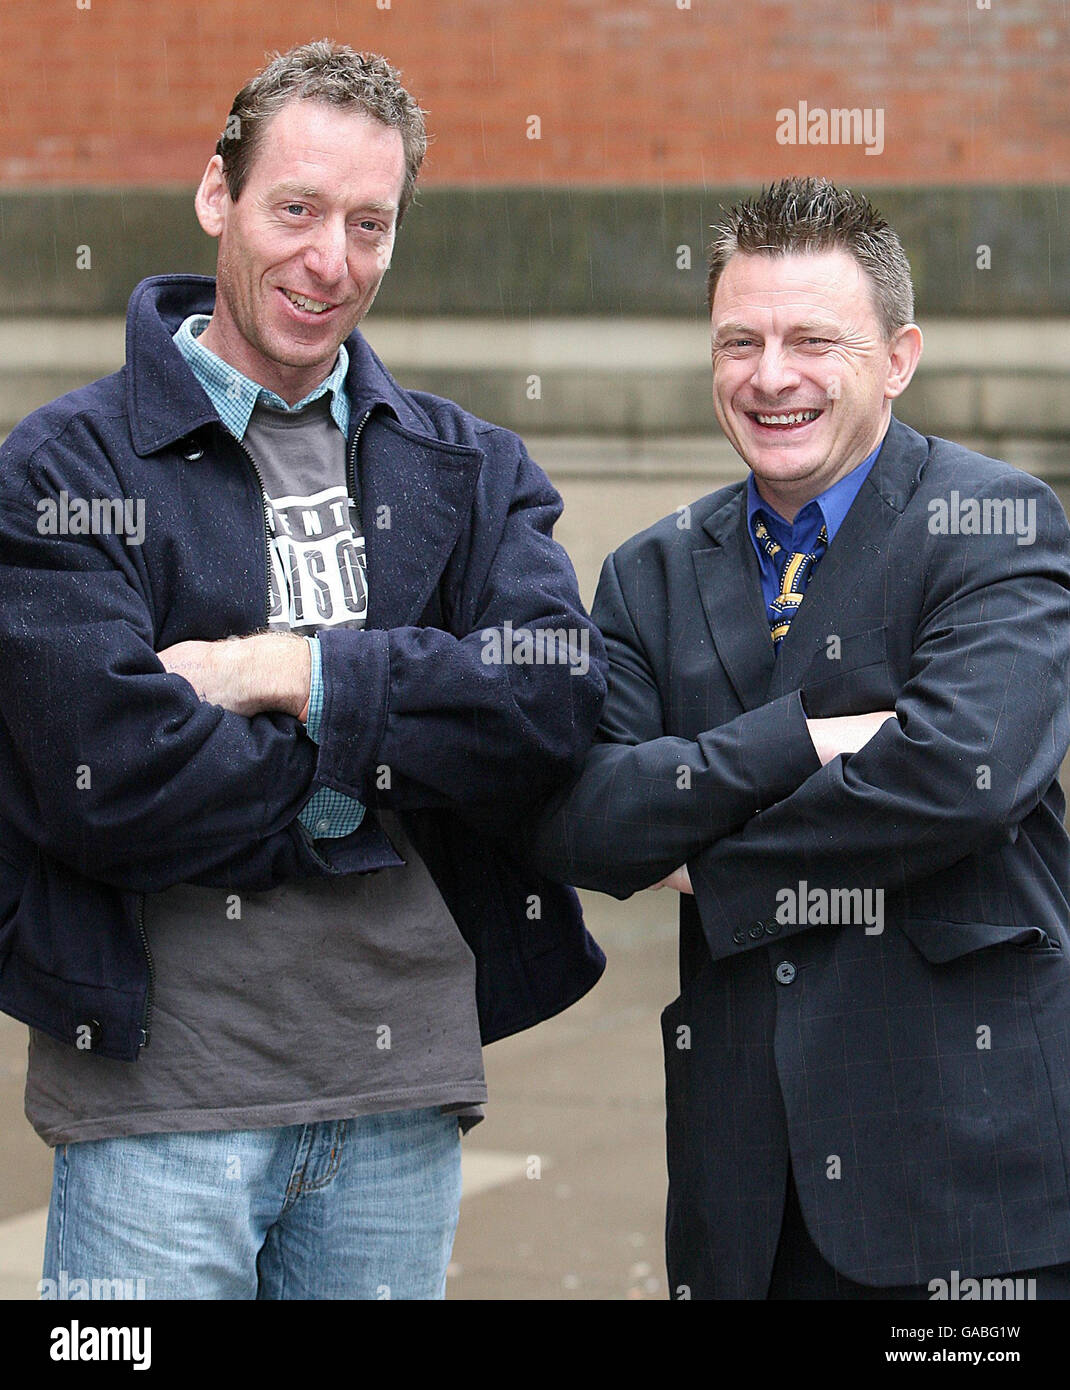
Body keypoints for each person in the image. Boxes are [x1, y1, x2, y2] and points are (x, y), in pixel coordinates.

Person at [0, 40, 606, 1300]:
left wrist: (281, 672)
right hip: (159, 1110)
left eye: (368, 222)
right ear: (217, 196)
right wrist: (390, 771)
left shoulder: (468, 466)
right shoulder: (65, 471)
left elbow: (547, 702)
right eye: (296, 209)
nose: (331, 261)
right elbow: (102, 776)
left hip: (399, 1100)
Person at [532, 176, 1070, 1299]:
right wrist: (809, 739)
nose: (769, 375)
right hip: (742, 1188)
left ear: (897, 357)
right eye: (740, 340)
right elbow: (582, 816)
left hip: (965, 1180)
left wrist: (705, 858)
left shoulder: (993, 526)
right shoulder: (649, 571)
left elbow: (955, 778)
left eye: (811, 339)